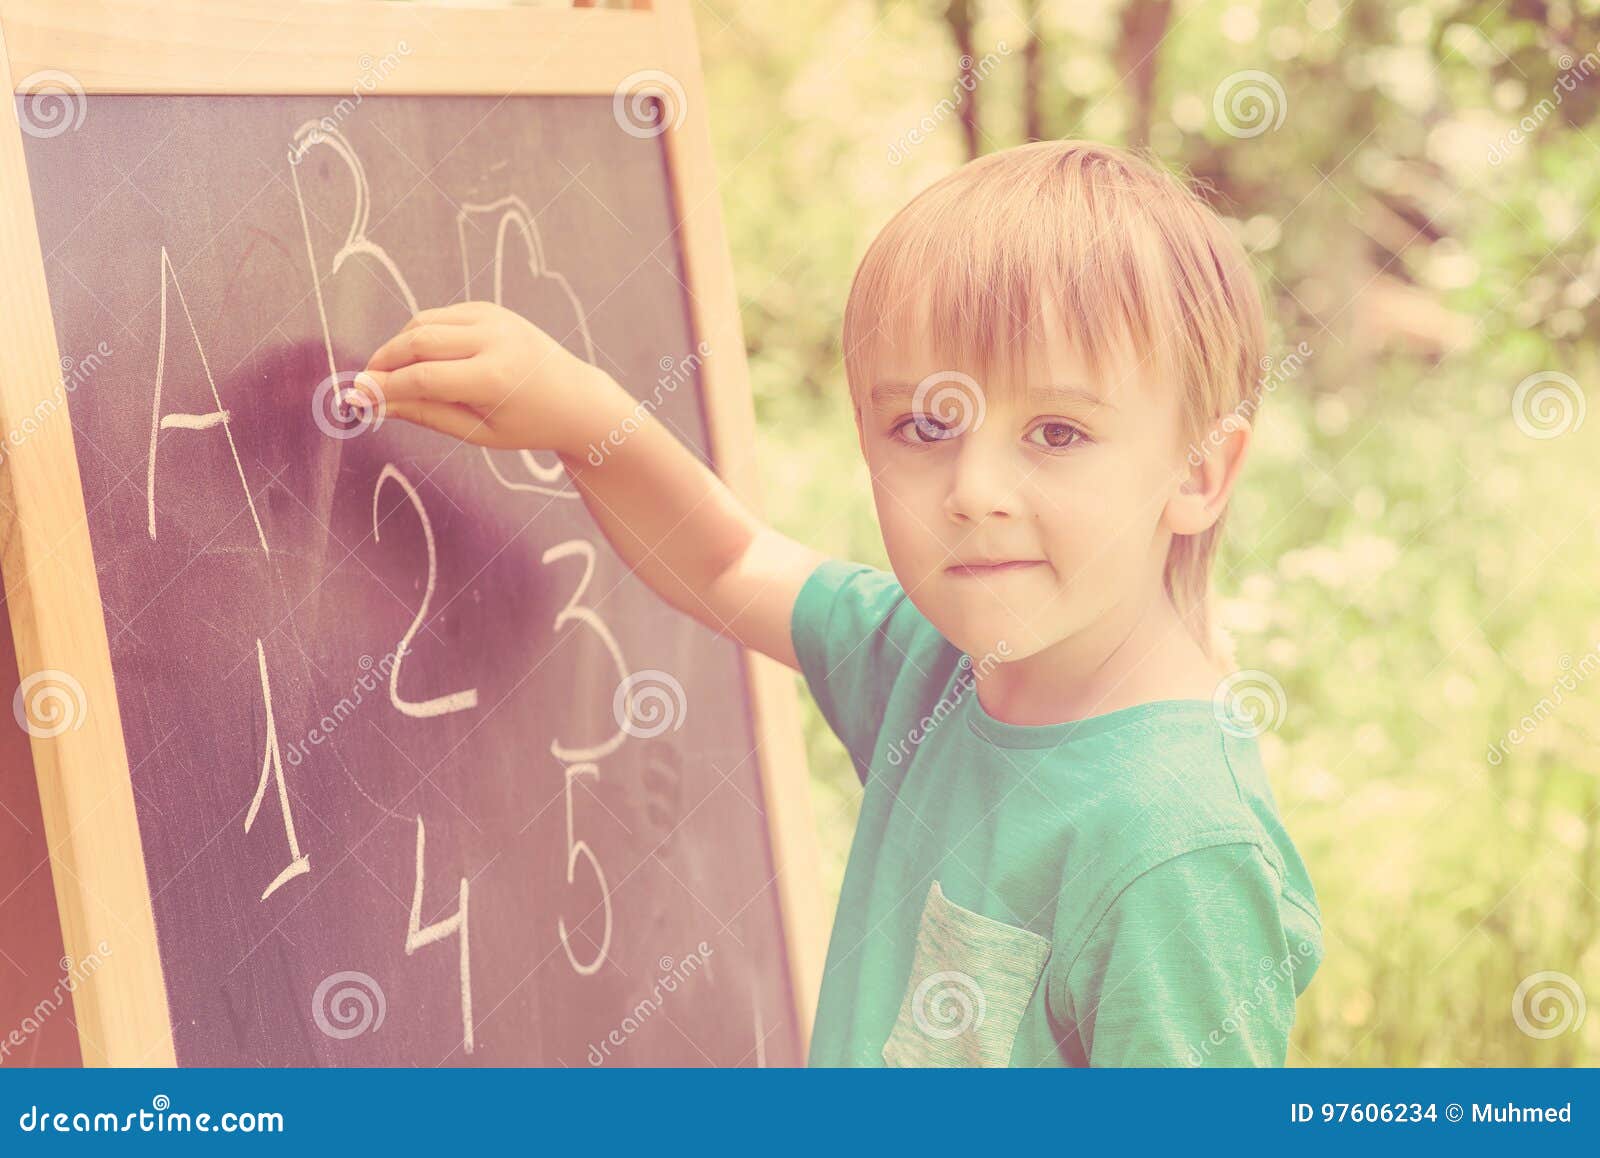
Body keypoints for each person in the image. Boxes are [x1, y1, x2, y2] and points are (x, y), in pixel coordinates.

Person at [353, 139, 1323, 1067]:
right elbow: (728, 562)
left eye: (1057, 431)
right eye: (922, 425)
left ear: (1199, 471)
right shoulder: (934, 668)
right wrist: (577, 412)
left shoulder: (1176, 850)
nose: (972, 490)